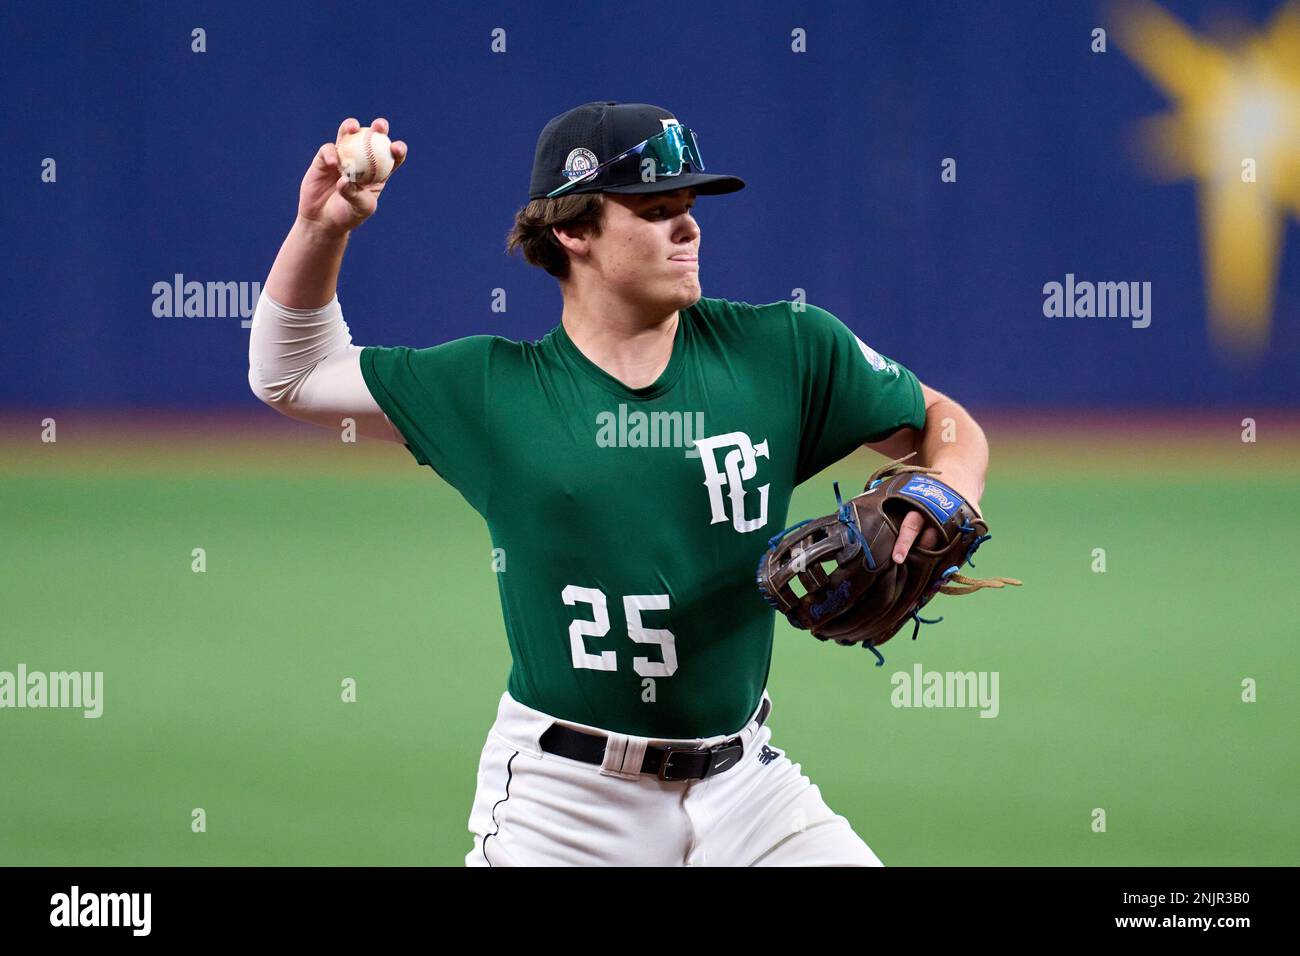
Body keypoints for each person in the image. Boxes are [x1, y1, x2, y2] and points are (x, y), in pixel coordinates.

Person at [248, 102, 991, 866]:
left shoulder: (783, 349)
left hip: (749, 793)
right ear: (572, 230)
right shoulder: (493, 391)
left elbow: (940, 416)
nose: (688, 227)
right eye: (655, 208)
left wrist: (951, 488)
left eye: (690, 206)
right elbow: (290, 373)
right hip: (564, 809)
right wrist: (323, 228)